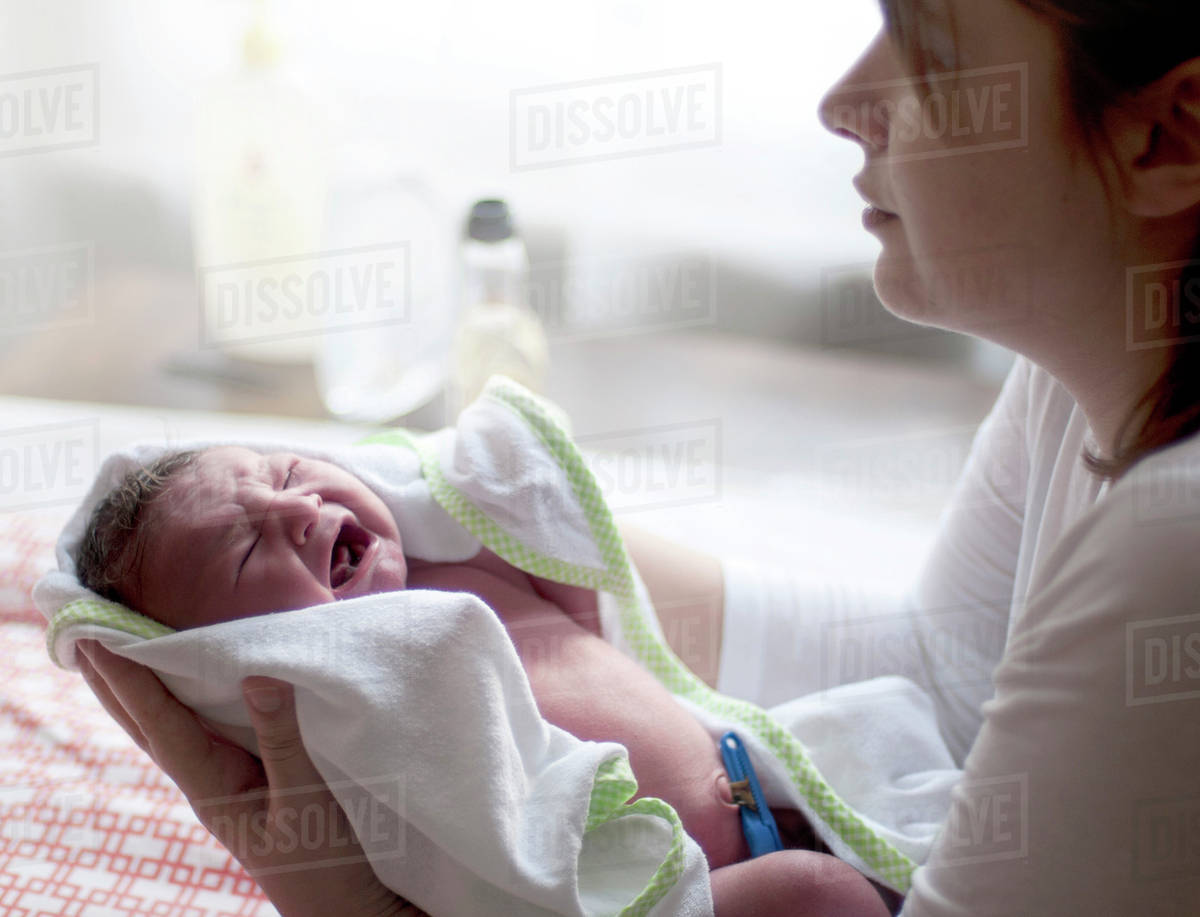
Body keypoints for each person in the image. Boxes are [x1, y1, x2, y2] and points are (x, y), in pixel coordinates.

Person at [77, 0, 1200, 913]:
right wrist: (518, 569)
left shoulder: (1174, 549)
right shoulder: (1086, 369)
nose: (842, 101)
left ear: (1168, 133)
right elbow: (951, 668)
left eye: (927, 48)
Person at [75, 445, 894, 916]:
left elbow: (590, 594)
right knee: (822, 895)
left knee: (889, 751)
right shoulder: (358, 705)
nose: (294, 508)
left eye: (289, 472)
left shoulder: (466, 556)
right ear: (242, 651)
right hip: (663, 897)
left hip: (764, 793)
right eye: (247, 550)